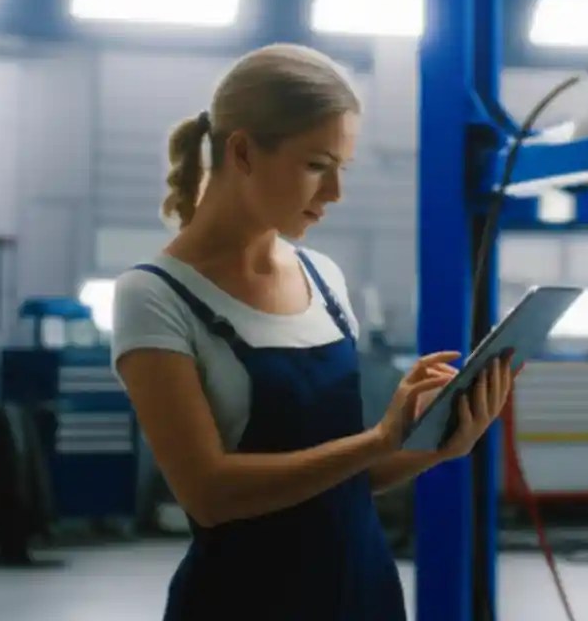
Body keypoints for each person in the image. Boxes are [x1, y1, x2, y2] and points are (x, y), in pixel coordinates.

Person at [111, 43, 517, 621]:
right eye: (315, 166)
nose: (334, 195)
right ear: (244, 151)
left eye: (340, 170)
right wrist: (379, 438)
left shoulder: (322, 277)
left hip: (364, 597)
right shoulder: (153, 295)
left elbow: (347, 478)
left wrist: (433, 446)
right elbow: (208, 491)